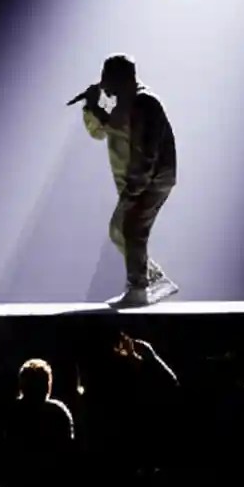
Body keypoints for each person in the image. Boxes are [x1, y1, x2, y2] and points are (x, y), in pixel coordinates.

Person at [79, 53, 179, 307]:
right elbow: (102, 131)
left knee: (131, 227)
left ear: (121, 79)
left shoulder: (144, 103)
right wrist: (93, 107)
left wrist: (135, 188)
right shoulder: (127, 104)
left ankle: (139, 287)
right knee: (118, 229)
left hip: (152, 179)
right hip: (141, 180)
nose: (105, 86)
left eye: (108, 81)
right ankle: (152, 279)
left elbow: (146, 150)